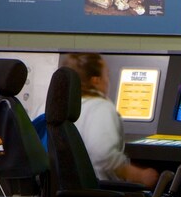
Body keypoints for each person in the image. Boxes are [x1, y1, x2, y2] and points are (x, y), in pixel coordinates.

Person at [61, 53, 159, 187]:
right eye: (107, 75)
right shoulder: (101, 108)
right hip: (95, 196)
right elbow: (104, 156)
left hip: (54, 194)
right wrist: (141, 175)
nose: (108, 80)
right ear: (96, 80)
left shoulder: (48, 106)